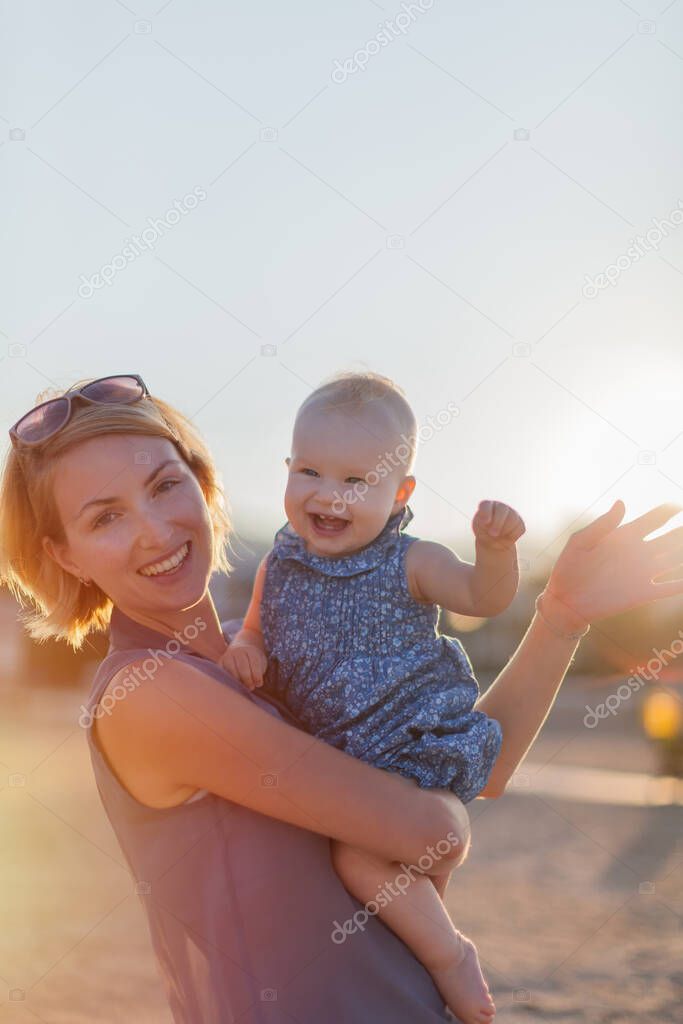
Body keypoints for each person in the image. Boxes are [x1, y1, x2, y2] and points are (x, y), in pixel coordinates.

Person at [1, 373, 681, 1024]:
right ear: (65, 555)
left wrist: (558, 617)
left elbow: (481, 768)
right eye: (106, 518)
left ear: (203, 485)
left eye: (165, 485)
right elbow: (433, 831)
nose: (154, 529)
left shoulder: (272, 656)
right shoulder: (147, 694)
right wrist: (438, 825)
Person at [220, 371, 528, 1023]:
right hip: (334, 765)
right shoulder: (280, 562)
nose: (329, 494)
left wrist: (495, 552)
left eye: (357, 481)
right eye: (310, 471)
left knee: (361, 859)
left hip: (405, 751)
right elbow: (255, 626)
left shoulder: (409, 561)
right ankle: (407, 977)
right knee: (354, 887)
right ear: (287, 470)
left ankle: (451, 956)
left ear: (399, 494)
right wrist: (247, 647)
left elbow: (482, 598)